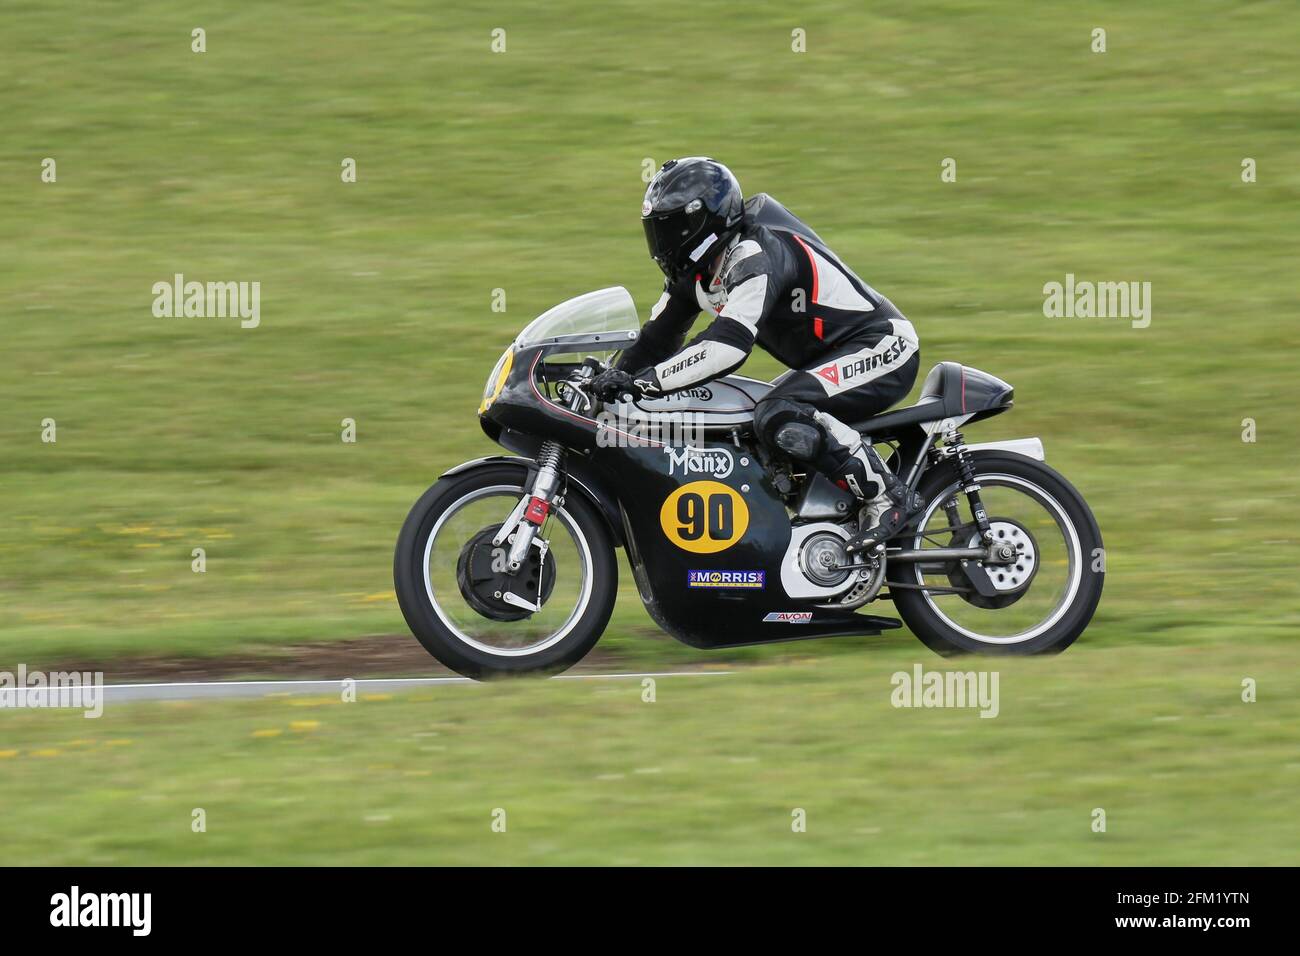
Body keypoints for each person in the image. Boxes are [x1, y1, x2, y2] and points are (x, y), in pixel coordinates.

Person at [591, 157, 923, 552]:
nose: (662, 242)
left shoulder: (754, 253)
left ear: (703, 223)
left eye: (671, 228)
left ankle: (887, 498)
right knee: (750, 420)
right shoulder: (693, 275)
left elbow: (727, 346)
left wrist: (646, 384)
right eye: (656, 230)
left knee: (780, 413)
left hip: (882, 345)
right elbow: (652, 344)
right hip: (831, 357)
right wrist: (601, 385)